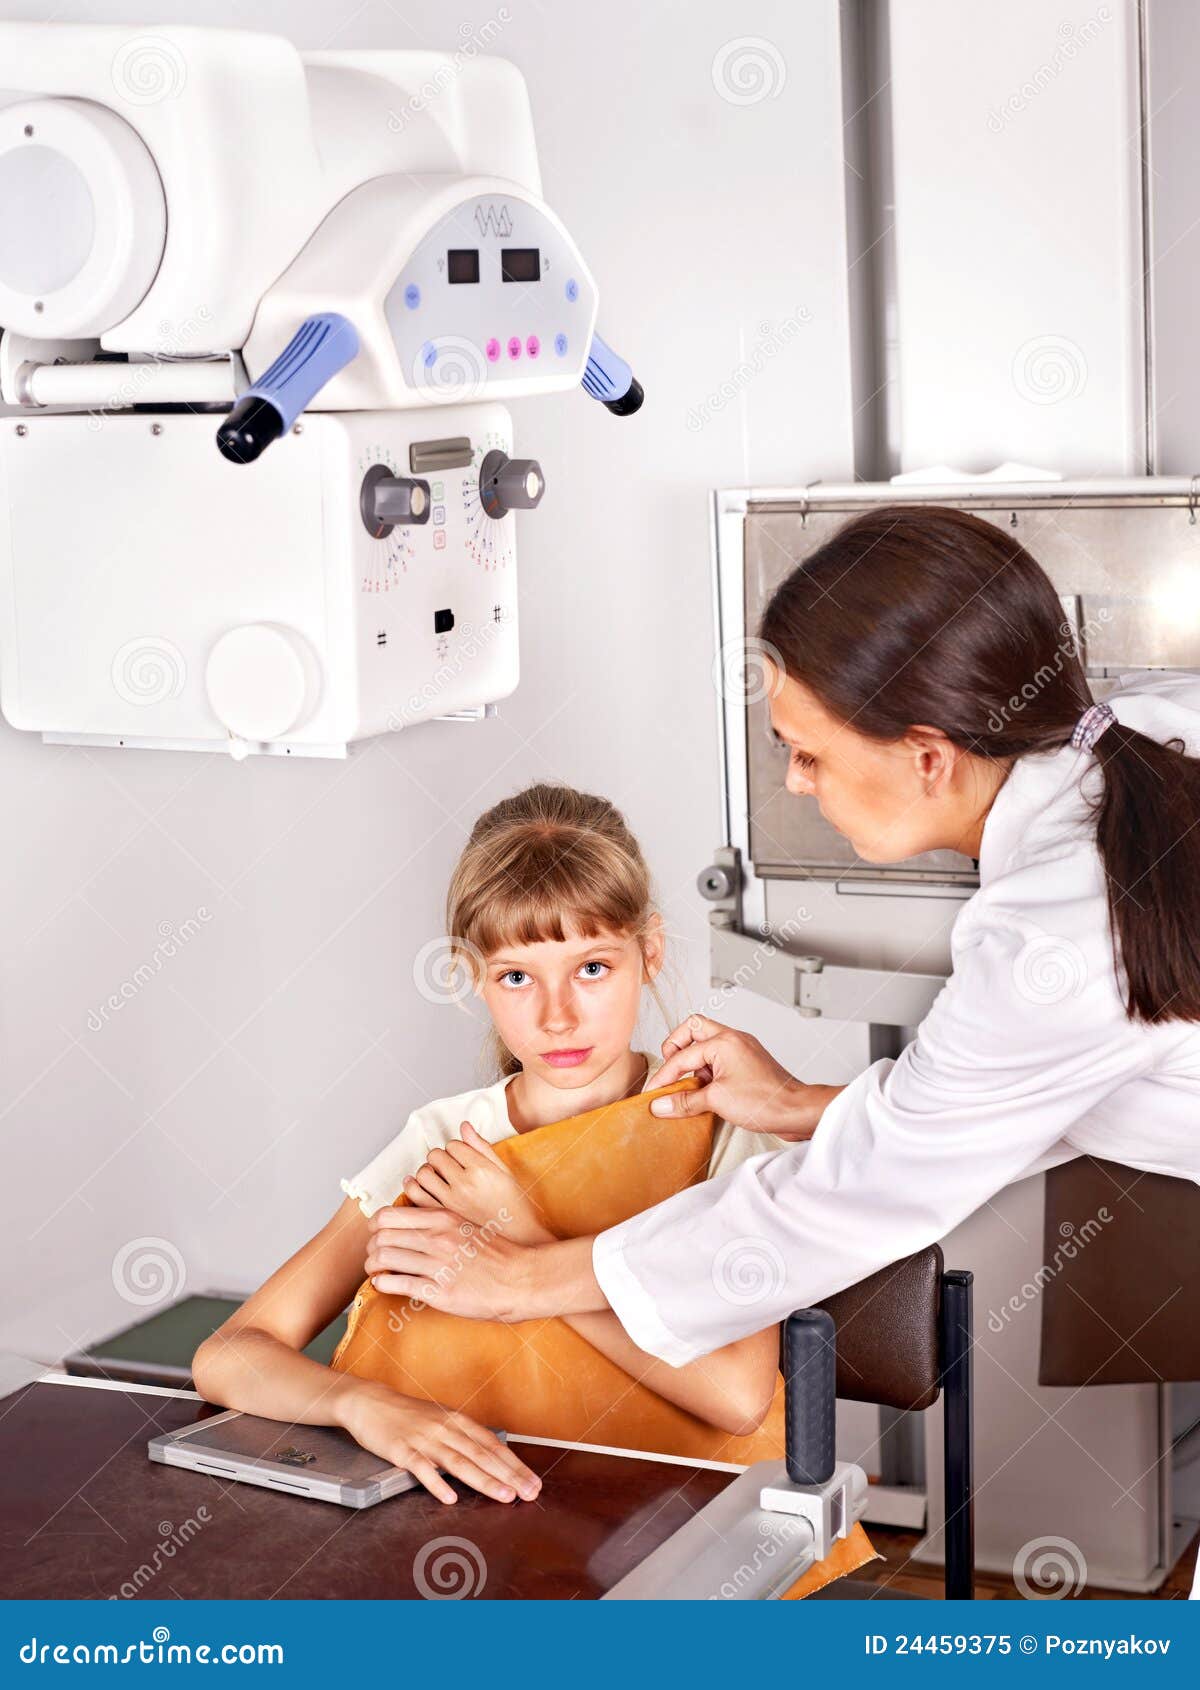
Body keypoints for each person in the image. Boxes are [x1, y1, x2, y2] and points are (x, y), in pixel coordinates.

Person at [366, 507, 1200, 1600]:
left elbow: (837, 1206)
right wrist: (804, 1100)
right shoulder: (1131, 739)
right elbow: (975, 1107)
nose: (798, 782)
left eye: (807, 753)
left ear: (929, 755)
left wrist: (524, 1274)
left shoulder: (1054, 926)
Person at [192, 782, 784, 1504]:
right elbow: (230, 1356)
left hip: (669, 1525)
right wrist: (364, 1405)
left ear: (650, 952)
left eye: (592, 968)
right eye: (516, 977)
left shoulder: (718, 1125)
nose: (558, 1016)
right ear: (475, 976)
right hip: (461, 1518)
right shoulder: (439, 1144)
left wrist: (522, 1246)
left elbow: (736, 1394)